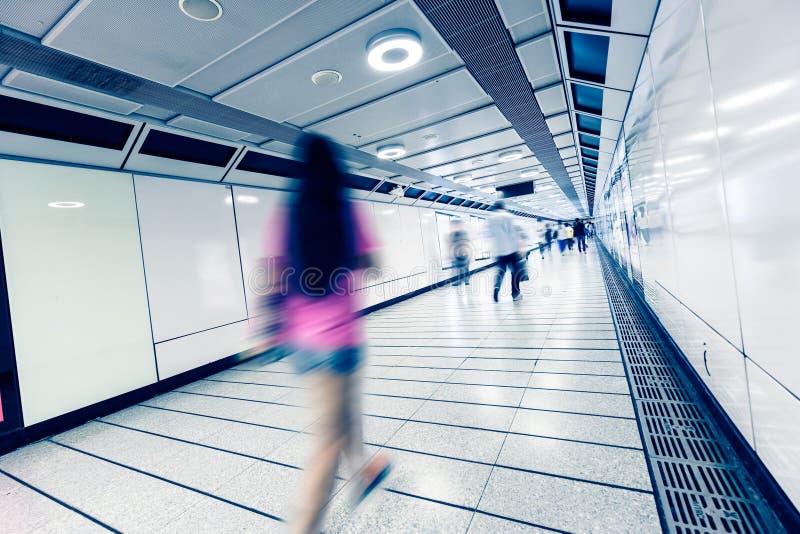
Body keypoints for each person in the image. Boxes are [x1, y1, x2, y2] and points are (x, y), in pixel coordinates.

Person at [263, 134, 392, 534]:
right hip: (341, 340)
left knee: (343, 414)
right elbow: (373, 263)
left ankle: (366, 468)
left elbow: (271, 277)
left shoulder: (286, 214)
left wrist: (271, 327)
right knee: (327, 443)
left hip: (302, 343)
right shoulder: (347, 210)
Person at [487, 200, 524, 302]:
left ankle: (496, 288)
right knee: (515, 273)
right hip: (512, 250)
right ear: (503, 207)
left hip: (499, 251)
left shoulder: (490, 218)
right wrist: (520, 247)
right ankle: (515, 295)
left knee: (500, 272)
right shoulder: (509, 216)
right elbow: (516, 232)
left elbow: (487, 235)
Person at [449, 218, 472, 286]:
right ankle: (458, 281)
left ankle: (466, 280)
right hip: (456, 254)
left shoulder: (464, 233)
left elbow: (466, 242)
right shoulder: (452, 234)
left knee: (465, 268)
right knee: (457, 268)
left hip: (464, 253)